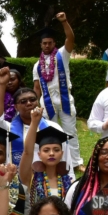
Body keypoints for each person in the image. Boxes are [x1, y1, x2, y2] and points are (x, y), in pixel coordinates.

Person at [29, 14, 80, 169]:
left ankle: (76, 163)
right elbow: (36, 87)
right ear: (41, 45)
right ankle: (53, 161)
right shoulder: (37, 65)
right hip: (47, 101)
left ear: (54, 43)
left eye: (49, 43)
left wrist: (64, 21)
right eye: (44, 43)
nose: (47, 45)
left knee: (70, 131)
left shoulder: (62, 55)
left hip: (64, 99)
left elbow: (70, 38)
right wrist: (33, 103)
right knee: (49, 131)